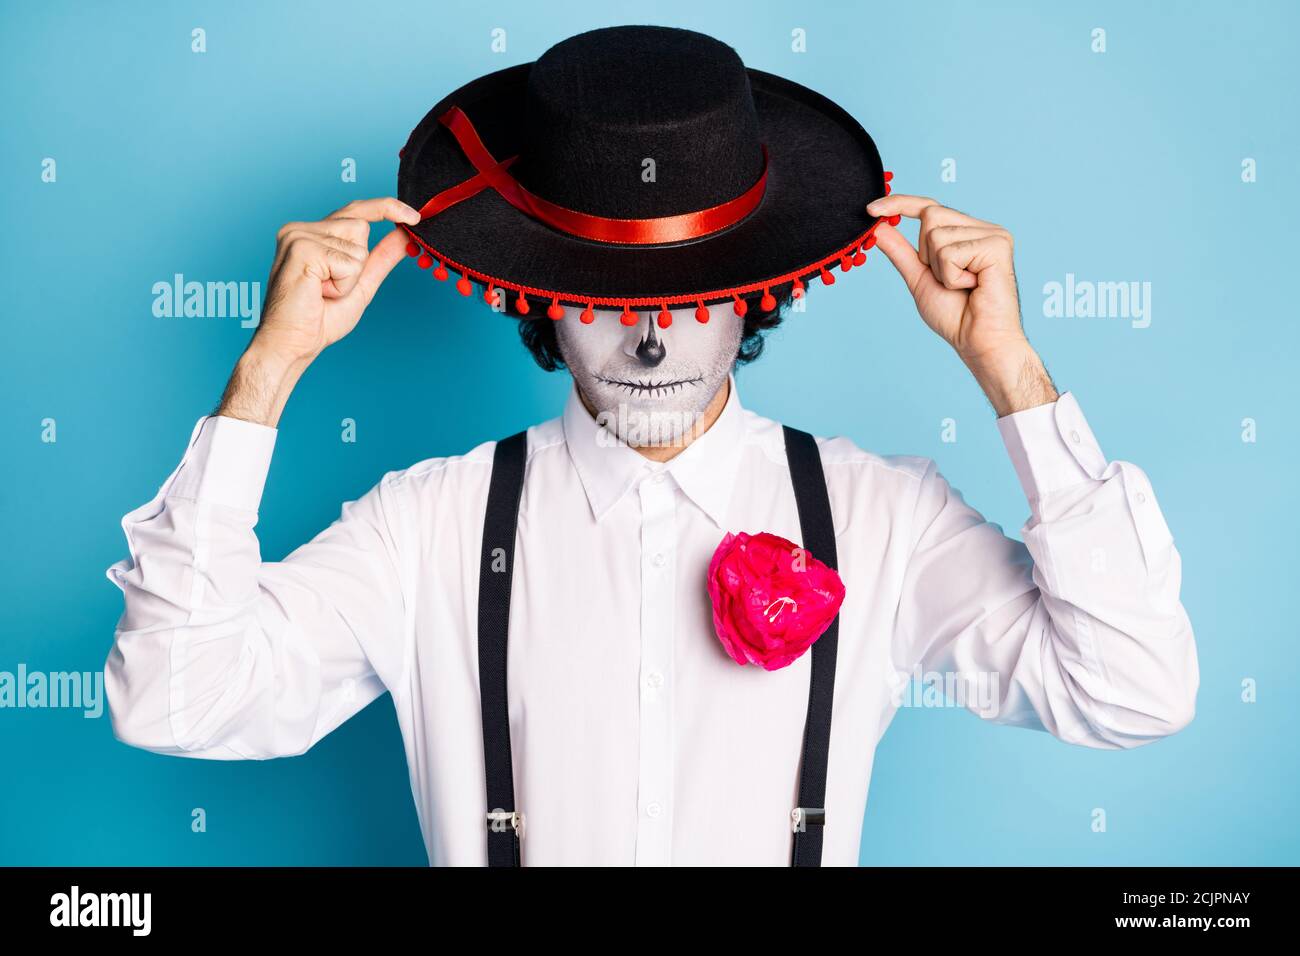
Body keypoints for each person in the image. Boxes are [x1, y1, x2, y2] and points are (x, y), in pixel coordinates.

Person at [103, 26, 1198, 866]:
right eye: (601, 297)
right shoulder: (428, 522)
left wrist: (1014, 378)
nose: (650, 334)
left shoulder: (881, 516)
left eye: (698, 294)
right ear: (537, 298)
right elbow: (176, 697)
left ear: (757, 294)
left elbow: (1132, 690)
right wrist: (265, 376)